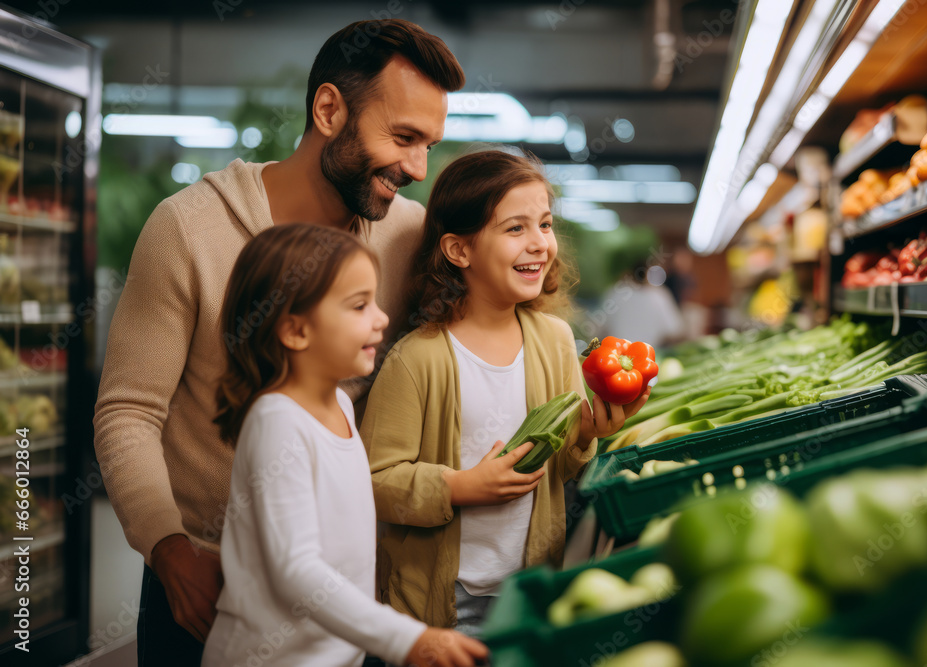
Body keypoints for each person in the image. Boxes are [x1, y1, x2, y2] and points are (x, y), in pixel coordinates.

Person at [92, 19, 464, 666]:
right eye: (403, 137)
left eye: (429, 143)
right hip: (203, 580)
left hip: (355, 596)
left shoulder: (410, 236)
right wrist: (168, 547)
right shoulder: (189, 229)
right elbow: (128, 411)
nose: (417, 167)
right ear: (329, 109)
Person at [361, 150, 650, 634]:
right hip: (439, 602)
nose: (539, 243)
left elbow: (561, 468)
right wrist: (460, 488)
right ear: (459, 250)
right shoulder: (417, 358)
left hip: (531, 585)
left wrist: (586, 435)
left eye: (544, 224)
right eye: (515, 229)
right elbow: (372, 482)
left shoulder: (556, 340)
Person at [201, 224, 487, 667]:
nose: (382, 318)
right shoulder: (277, 422)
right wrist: (404, 638)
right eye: (359, 305)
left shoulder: (337, 401)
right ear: (295, 331)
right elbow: (295, 571)